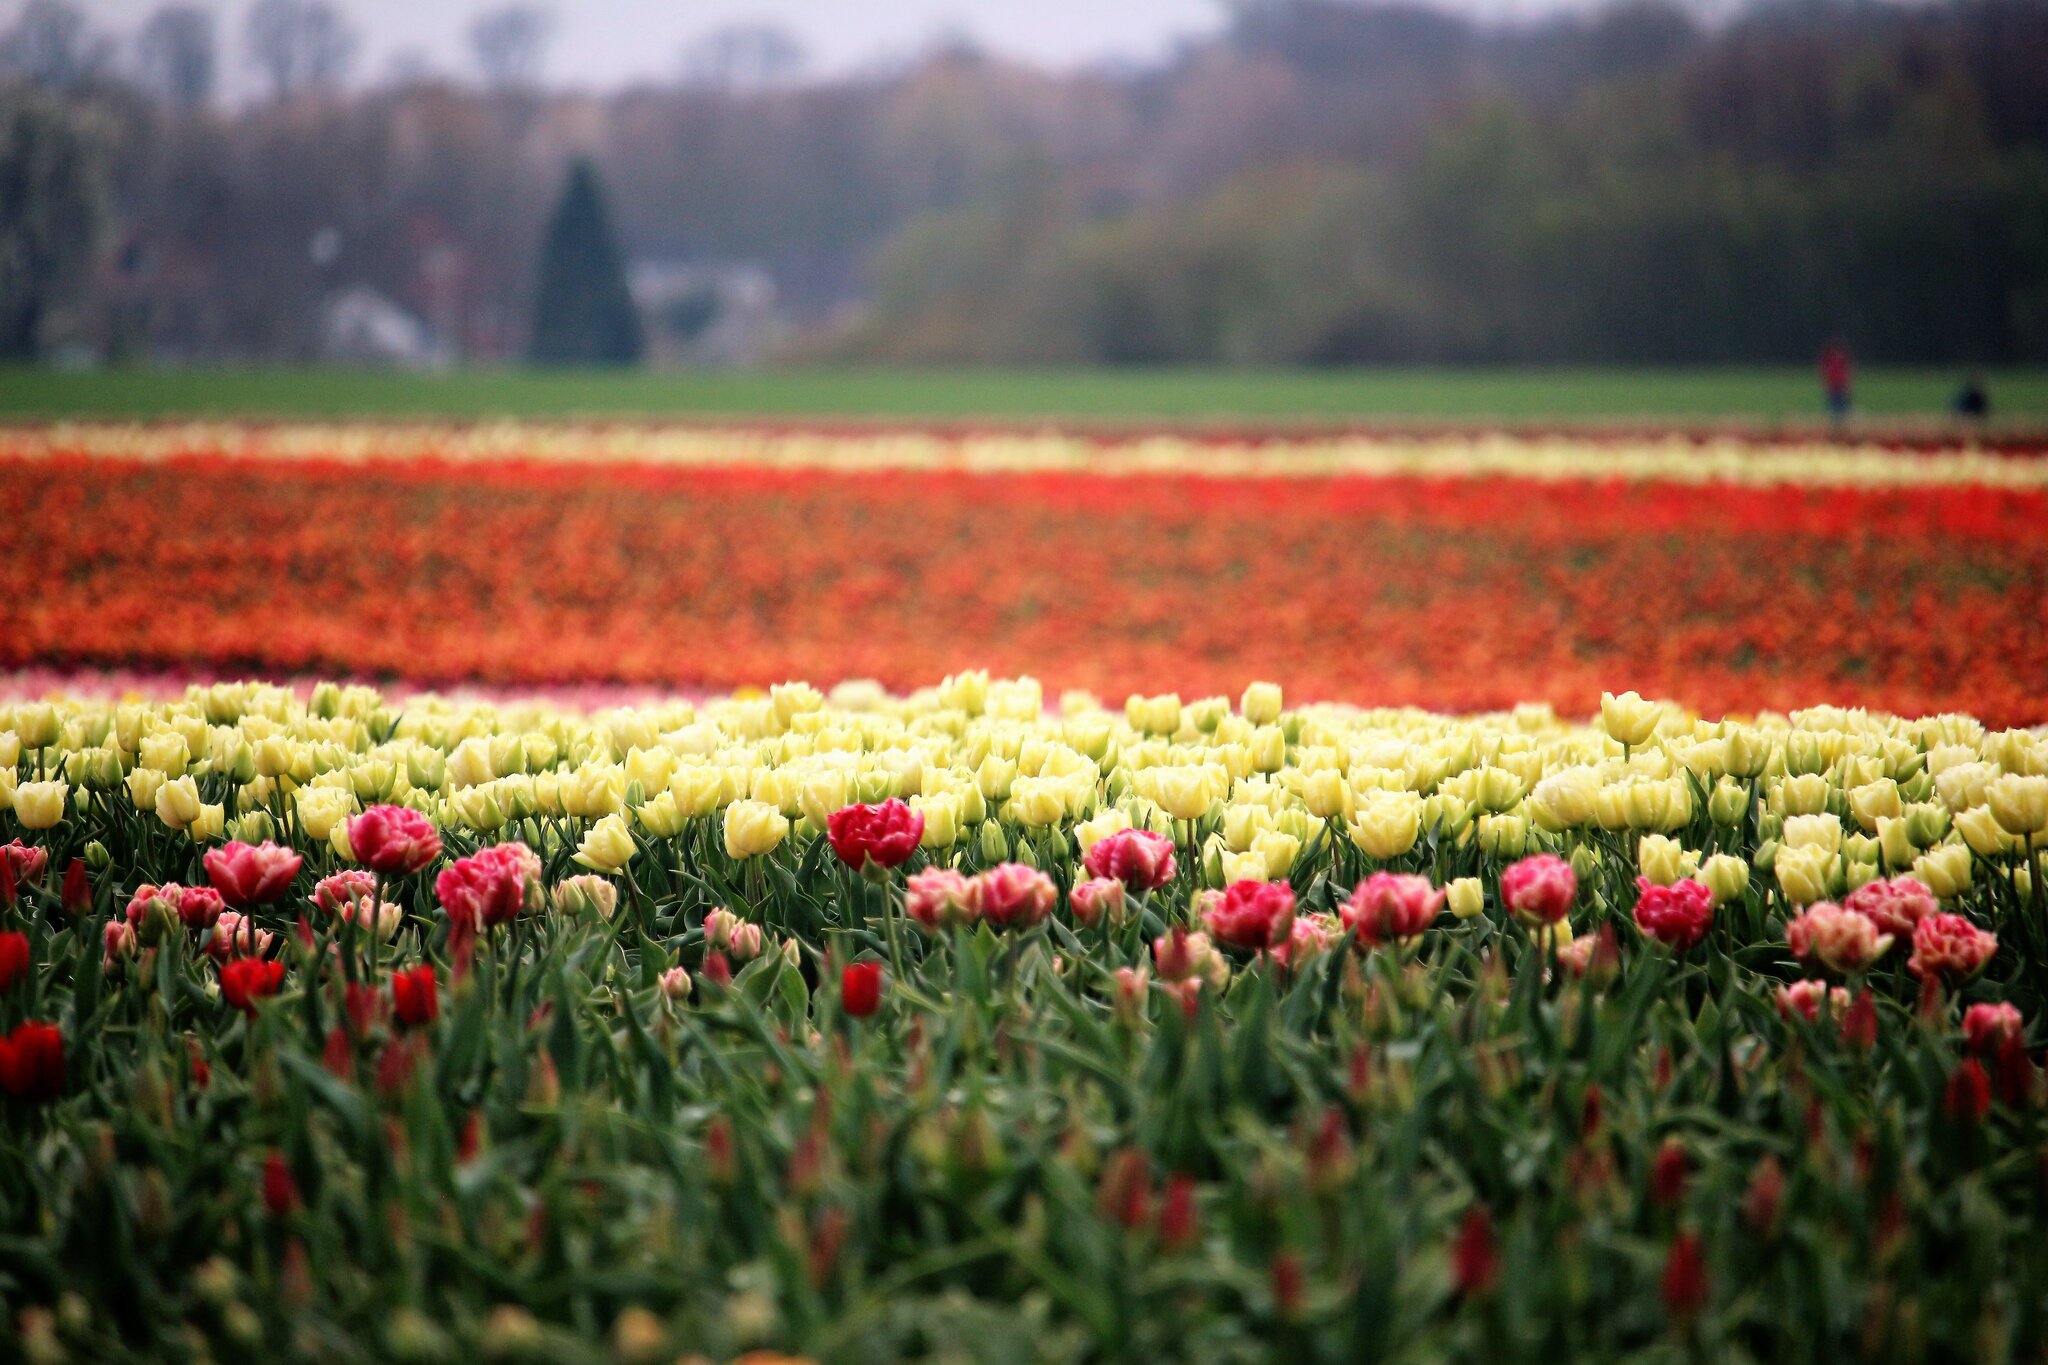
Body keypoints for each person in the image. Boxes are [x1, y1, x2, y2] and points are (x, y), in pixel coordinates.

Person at [1818, 340, 1852, 422]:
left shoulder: (1841, 359)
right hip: (1833, 382)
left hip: (1840, 382)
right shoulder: (1829, 359)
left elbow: (1847, 370)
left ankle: (1842, 417)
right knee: (1834, 399)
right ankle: (1835, 417)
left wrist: (1847, 381)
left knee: (1841, 399)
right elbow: (1824, 370)